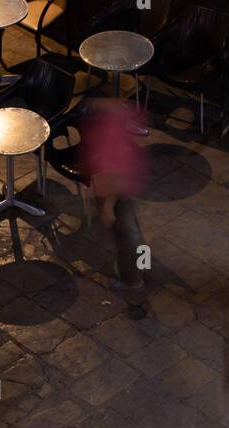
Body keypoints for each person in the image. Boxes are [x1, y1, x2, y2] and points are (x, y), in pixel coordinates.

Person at [79, 95, 147, 289]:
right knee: (131, 231)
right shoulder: (117, 126)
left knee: (125, 237)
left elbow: (115, 178)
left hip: (115, 193)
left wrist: (108, 206)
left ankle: (132, 280)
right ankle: (144, 264)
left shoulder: (110, 139)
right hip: (122, 188)